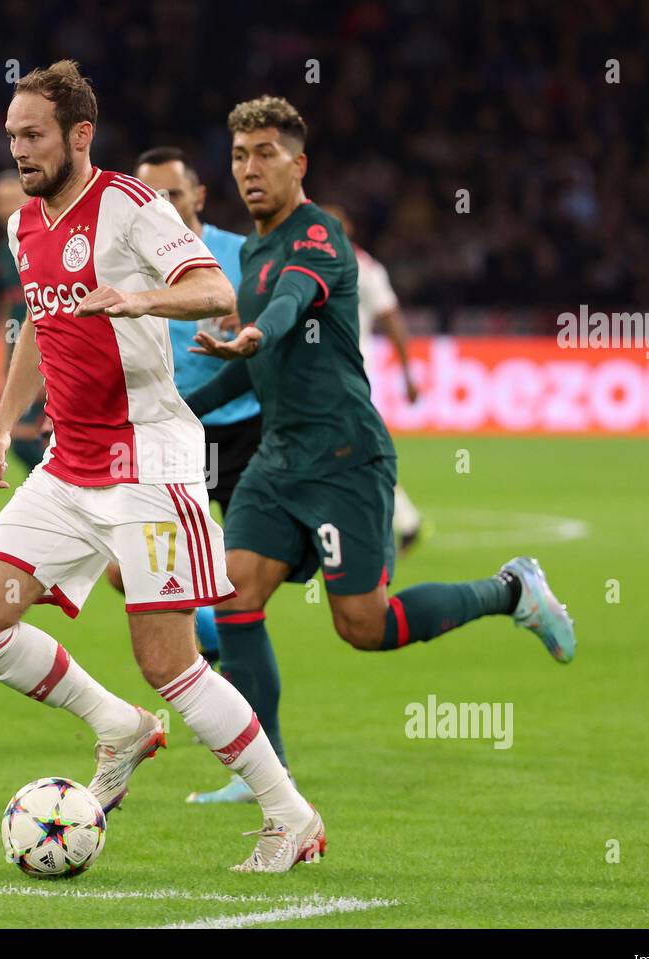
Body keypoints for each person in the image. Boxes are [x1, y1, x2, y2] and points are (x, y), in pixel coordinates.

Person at [0, 64, 325, 874]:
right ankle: (119, 725)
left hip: (147, 463)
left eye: (34, 135)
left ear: (80, 135)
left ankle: (290, 816)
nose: (20, 150)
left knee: (169, 661)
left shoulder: (129, 204)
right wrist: (0, 424)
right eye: (12, 136)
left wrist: (140, 298)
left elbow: (214, 288)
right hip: (68, 464)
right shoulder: (25, 227)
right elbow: (40, 333)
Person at [181, 96, 576, 800]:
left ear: (299, 164)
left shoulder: (319, 236)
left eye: (266, 153)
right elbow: (253, 363)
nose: (250, 169)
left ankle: (512, 590)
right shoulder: (256, 252)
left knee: (363, 627)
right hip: (278, 459)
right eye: (239, 155)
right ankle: (264, 771)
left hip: (344, 458)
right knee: (237, 595)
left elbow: (291, 304)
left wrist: (258, 332)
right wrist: (181, 408)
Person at [102, 147, 258, 683]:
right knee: (125, 571)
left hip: (242, 430)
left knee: (241, 578)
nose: (162, 202)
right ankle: (212, 654)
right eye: (151, 194)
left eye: (172, 192)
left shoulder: (240, 253)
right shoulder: (128, 260)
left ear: (199, 195)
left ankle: (240, 701)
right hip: (165, 434)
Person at [319, 202, 425, 554]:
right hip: (319, 374)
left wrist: (408, 372)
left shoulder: (365, 268)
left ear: (348, 228)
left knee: (350, 448)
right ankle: (402, 519)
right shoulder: (309, 262)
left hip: (351, 372)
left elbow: (392, 319)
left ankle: (396, 520)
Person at [0, 171, 49, 470]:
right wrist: (3, 371)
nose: (4, 208)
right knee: (23, 439)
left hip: (45, 355)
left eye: (12, 200)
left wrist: (44, 373)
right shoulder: (4, 250)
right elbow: (8, 310)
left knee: (27, 438)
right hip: (20, 352)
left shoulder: (42, 242)